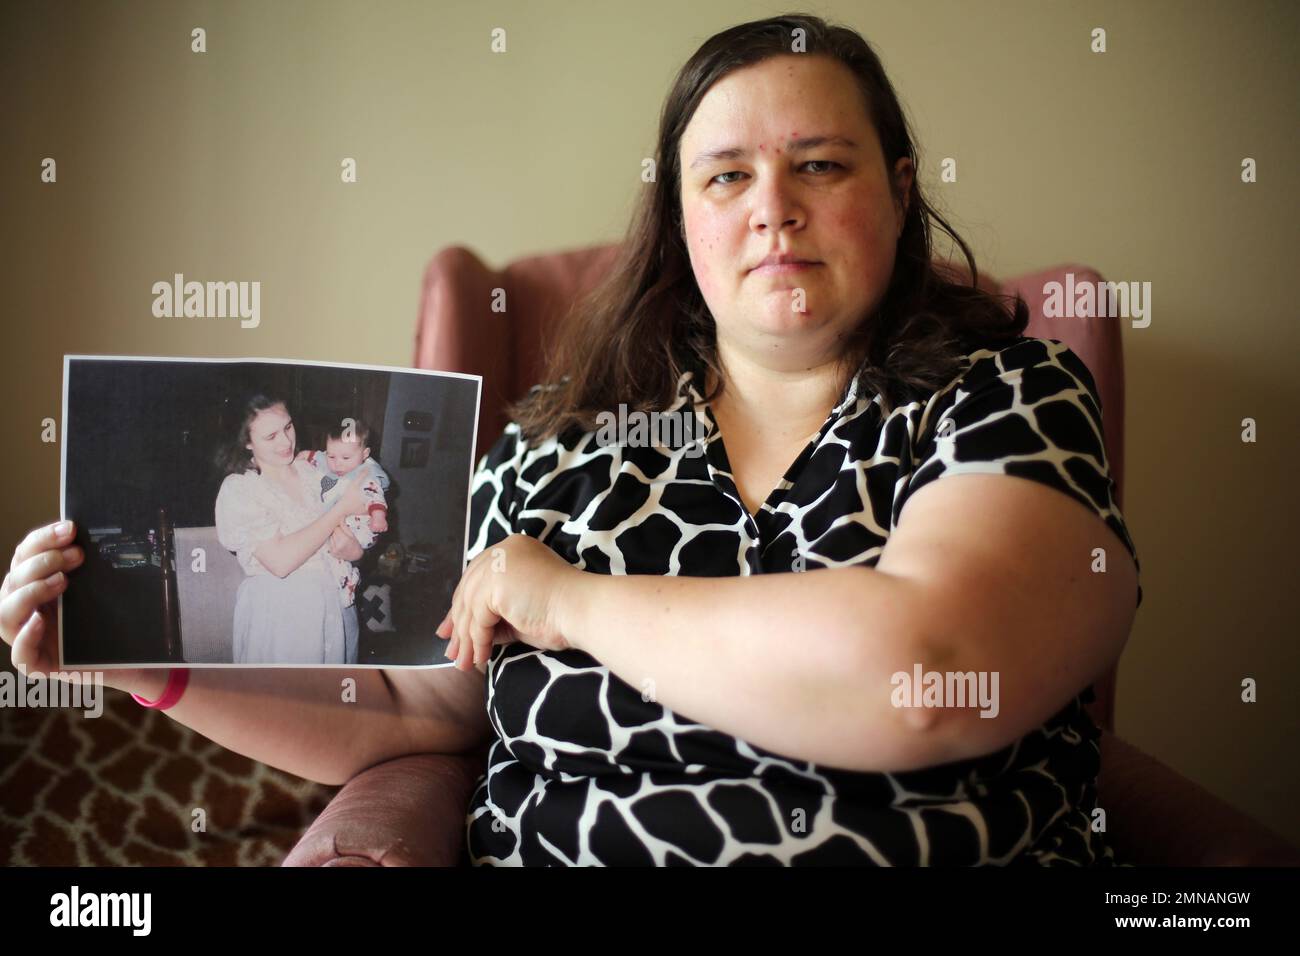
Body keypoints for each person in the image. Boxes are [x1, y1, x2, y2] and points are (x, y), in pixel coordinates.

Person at [2, 13, 1140, 866]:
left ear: (897, 193)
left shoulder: (1007, 396)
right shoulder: (554, 449)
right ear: (680, 223)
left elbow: (926, 675)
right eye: (726, 175)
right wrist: (147, 661)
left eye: (820, 164)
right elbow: (413, 708)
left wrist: (574, 601)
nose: (771, 207)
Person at [212, 394, 373, 663]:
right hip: (282, 618)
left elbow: (356, 539)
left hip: (336, 608)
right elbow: (281, 562)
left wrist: (355, 550)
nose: (286, 441)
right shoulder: (240, 488)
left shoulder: (315, 473)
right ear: (247, 442)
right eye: (271, 436)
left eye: (288, 427)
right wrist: (340, 509)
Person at [298, 417, 391, 621]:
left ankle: (349, 582)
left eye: (345, 458)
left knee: (338, 558)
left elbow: (375, 496)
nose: (337, 464)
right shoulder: (331, 459)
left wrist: (378, 516)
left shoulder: (368, 472)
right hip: (337, 522)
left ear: (365, 454)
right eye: (332, 456)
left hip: (361, 527)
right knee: (330, 555)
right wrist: (307, 455)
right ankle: (341, 582)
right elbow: (318, 457)